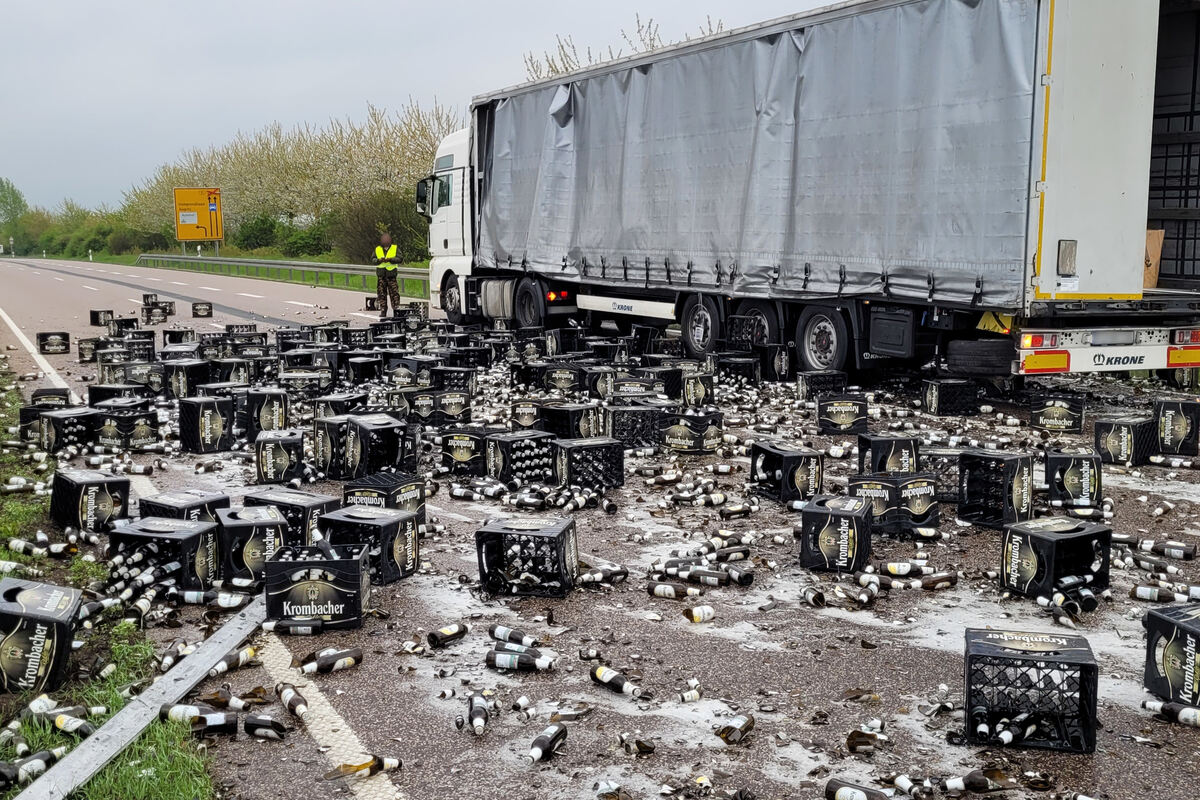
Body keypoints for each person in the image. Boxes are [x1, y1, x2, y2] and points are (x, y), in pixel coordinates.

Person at [372, 232, 402, 318]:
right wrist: (379, 260)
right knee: (381, 294)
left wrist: (391, 259)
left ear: (390, 240)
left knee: (394, 294)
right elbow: (373, 259)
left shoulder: (395, 248)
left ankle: (396, 310)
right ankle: (383, 310)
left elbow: (400, 258)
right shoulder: (377, 249)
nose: (385, 240)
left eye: (387, 239)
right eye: (383, 239)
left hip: (391, 276)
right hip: (381, 276)